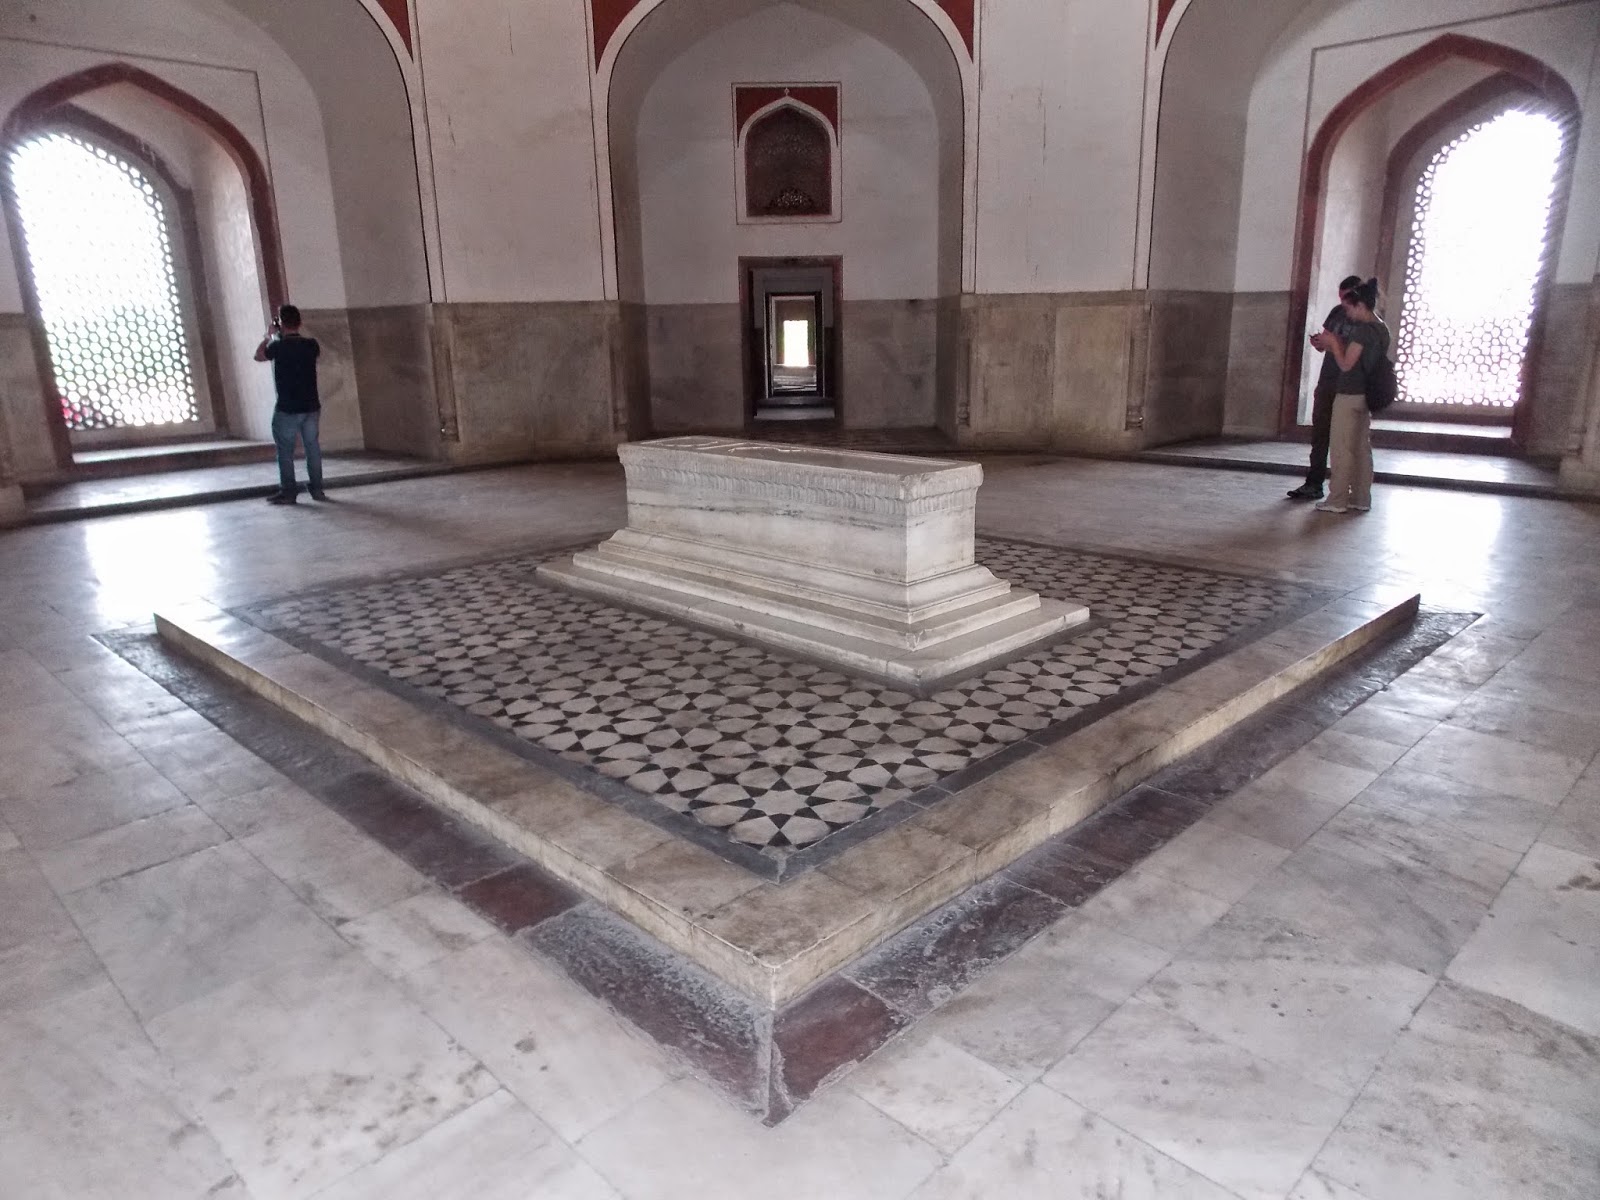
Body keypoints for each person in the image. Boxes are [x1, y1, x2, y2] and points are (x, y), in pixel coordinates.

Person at [1314, 277, 1388, 515]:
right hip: (1366, 395)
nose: (1347, 313)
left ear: (1360, 306)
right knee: (1360, 448)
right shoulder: (1382, 329)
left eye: (1348, 308)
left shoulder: (1364, 332)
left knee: (1341, 448)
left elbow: (1346, 364)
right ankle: (1360, 497)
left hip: (1349, 394)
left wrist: (1334, 342)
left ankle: (1337, 499)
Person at [1286, 274, 1364, 501]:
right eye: (1340, 299)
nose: (1343, 304)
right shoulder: (1337, 313)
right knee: (1320, 435)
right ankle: (1314, 483)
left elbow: (1356, 354)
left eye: (1346, 299)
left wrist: (1335, 345)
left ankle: (1347, 490)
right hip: (1328, 381)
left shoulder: (1367, 321)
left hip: (1349, 385)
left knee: (1346, 439)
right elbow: (1327, 341)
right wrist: (1320, 343)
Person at [254, 303, 326, 505]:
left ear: (281, 323)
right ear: (300, 322)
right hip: (311, 406)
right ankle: (317, 489)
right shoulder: (311, 345)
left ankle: (289, 491)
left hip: (287, 408)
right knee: (313, 449)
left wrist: (269, 336)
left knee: (285, 451)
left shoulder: (278, 346)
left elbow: (258, 356)